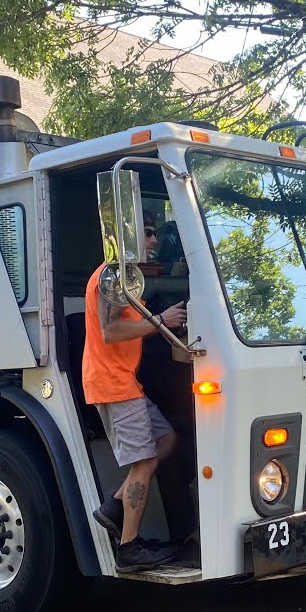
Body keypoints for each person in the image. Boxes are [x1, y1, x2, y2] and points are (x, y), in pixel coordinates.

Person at [82, 218, 188, 572]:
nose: (154, 238)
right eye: (147, 232)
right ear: (125, 237)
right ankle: (129, 548)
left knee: (167, 438)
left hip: (126, 382)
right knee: (143, 462)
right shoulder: (113, 275)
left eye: (154, 232)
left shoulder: (128, 277)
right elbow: (111, 331)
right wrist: (160, 321)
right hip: (113, 384)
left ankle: (114, 507)